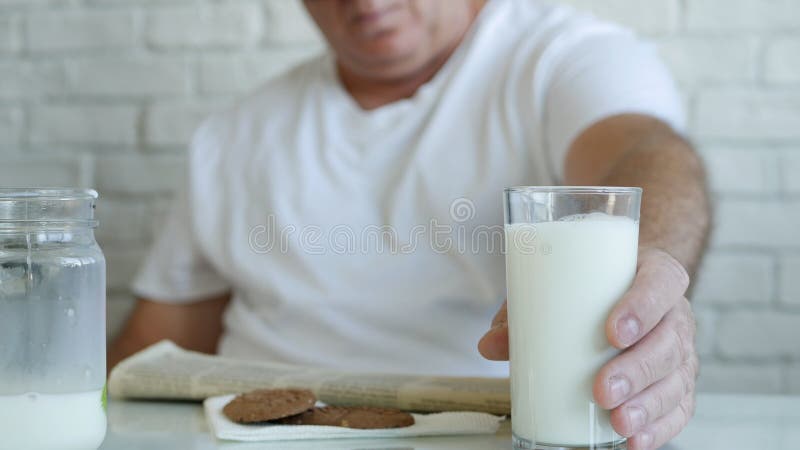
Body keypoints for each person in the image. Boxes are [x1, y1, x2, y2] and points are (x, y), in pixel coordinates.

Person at [109, 1, 709, 449]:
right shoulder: (234, 135)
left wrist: (642, 268)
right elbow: (151, 352)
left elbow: (644, 154)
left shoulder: (563, 60)